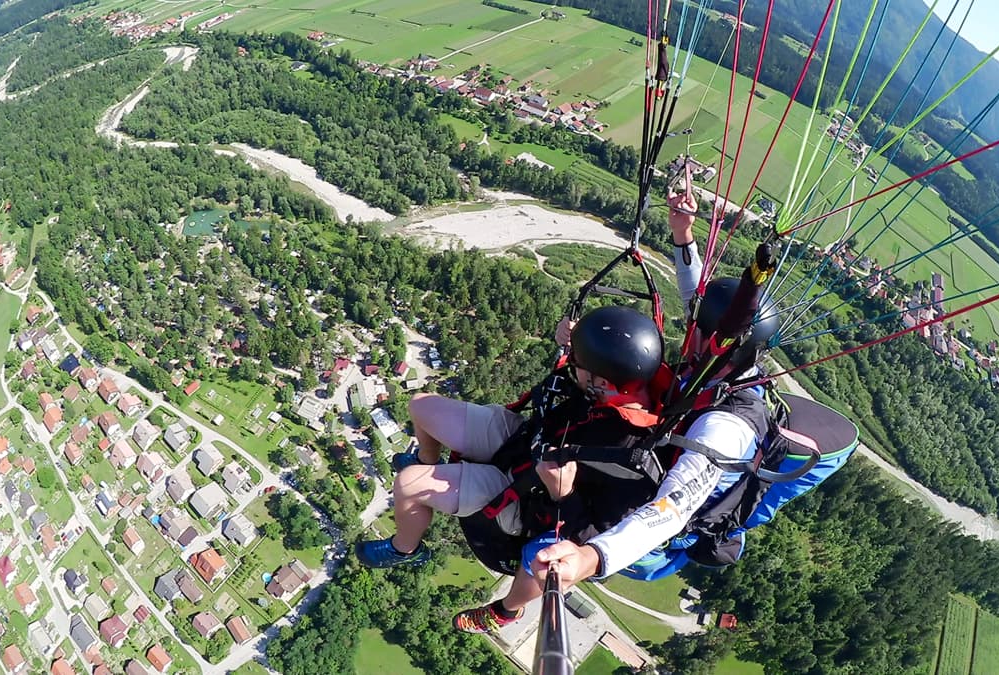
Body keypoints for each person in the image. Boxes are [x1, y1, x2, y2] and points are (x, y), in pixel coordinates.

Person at [523, 170, 854, 587]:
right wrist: (683, 235)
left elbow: (672, 509)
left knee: (536, 552)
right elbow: (694, 293)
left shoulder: (726, 427)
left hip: (659, 541)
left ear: (717, 343)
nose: (689, 329)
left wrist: (592, 557)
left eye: (698, 327)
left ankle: (505, 609)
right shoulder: (717, 361)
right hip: (653, 463)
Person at [355, 305, 667, 632]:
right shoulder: (624, 378)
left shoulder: (632, 462)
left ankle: (408, 551)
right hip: (524, 440)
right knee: (422, 407)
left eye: (579, 362)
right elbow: (577, 379)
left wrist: (564, 492)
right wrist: (571, 339)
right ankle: (427, 462)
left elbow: (595, 541)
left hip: (526, 495)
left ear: (601, 381)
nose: (573, 364)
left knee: (408, 485)